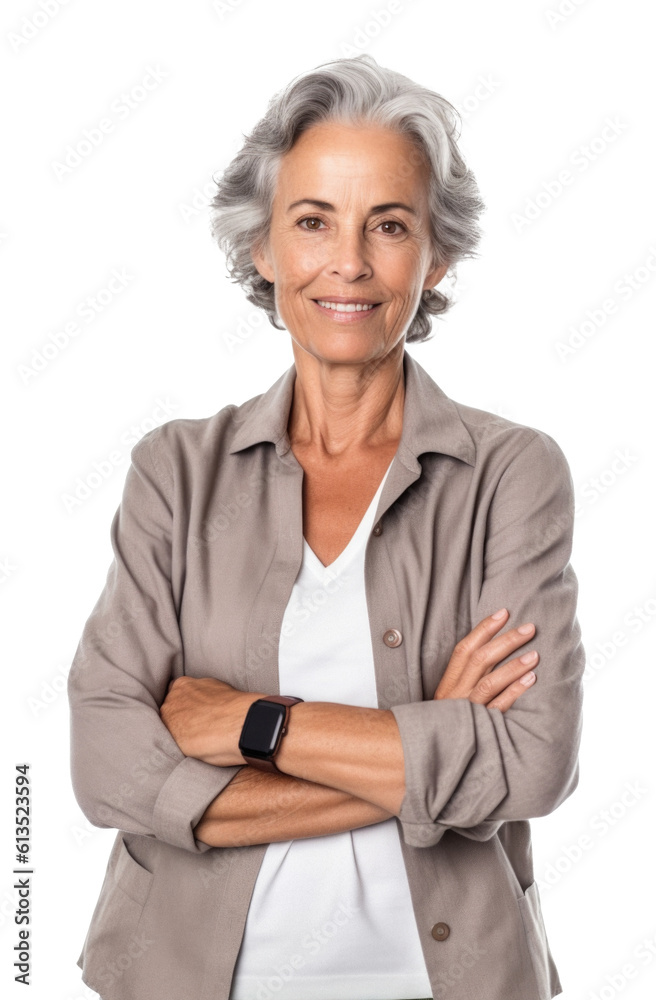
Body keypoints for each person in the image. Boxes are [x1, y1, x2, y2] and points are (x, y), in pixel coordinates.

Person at [68, 54, 585, 1000]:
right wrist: (428, 749)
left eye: (389, 225)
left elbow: (534, 762)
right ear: (262, 249)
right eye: (313, 222)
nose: (348, 262)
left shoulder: (512, 473)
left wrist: (248, 724)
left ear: (438, 258)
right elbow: (108, 770)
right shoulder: (176, 474)